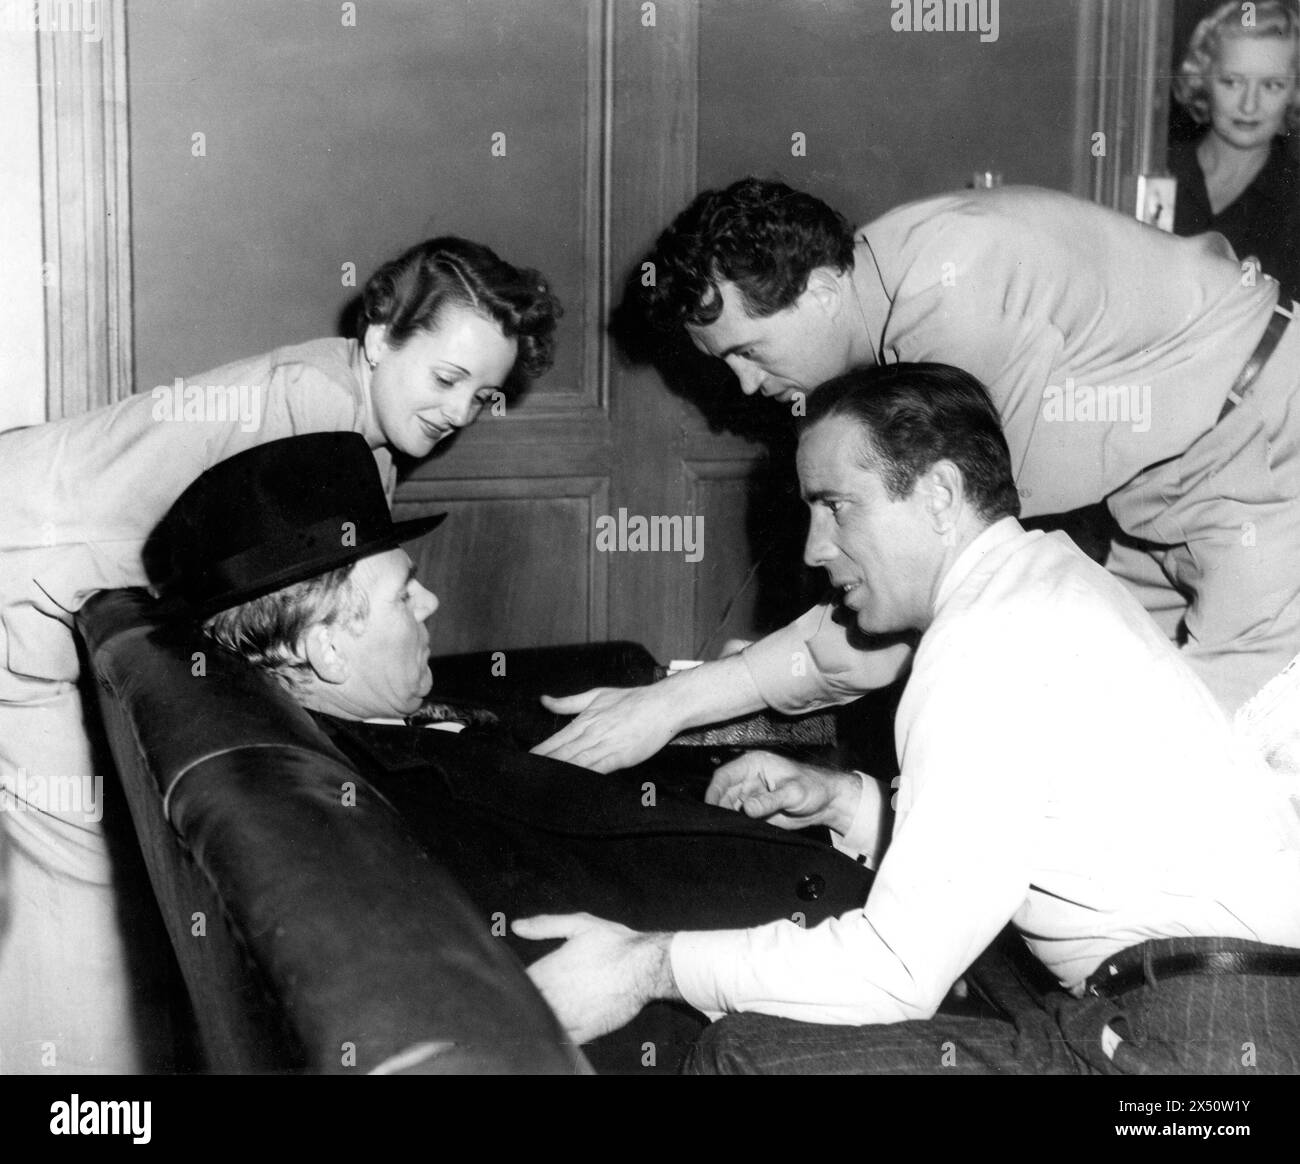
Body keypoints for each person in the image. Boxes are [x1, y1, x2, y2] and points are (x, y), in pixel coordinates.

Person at [517, 363, 1300, 1075]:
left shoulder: (979, 645)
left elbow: (892, 971)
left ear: (939, 495)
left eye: (836, 507)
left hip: (1192, 1068)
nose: (816, 549)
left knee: (748, 1056)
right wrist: (844, 802)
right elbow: (1028, 830)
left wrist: (647, 963)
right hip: (1243, 1024)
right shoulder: (1052, 578)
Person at [0, 236, 560, 1073]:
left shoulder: (354, 414)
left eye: (484, 395)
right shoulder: (321, 409)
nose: (458, 411)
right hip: (20, 566)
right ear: (378, 340)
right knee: (75, 879)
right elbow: (325, 620)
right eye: (446, 379)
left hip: (46, 557)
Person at [154, 431, 875, 1074]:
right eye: (405, 596)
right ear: (327, 647)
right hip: (811, 977)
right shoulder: (402, 809)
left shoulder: (384, 730)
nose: (432, 603)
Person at [533, 176, 1300, 772]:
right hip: (1164, 480)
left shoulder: (947, 297)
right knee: (1102, 712)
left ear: (822, 291)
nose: (740, 386)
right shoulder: (883, 275)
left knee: (1201, 766)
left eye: (750, 351)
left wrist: (681, 702)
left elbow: (922, 581)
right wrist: (743, 681)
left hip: (1265, 453)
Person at [1169, 0, 1300, 303]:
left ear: (1294, 92)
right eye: (1232, 82)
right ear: (1201, 76)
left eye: (1272, 85)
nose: (1249, 105)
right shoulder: (1154, 166)